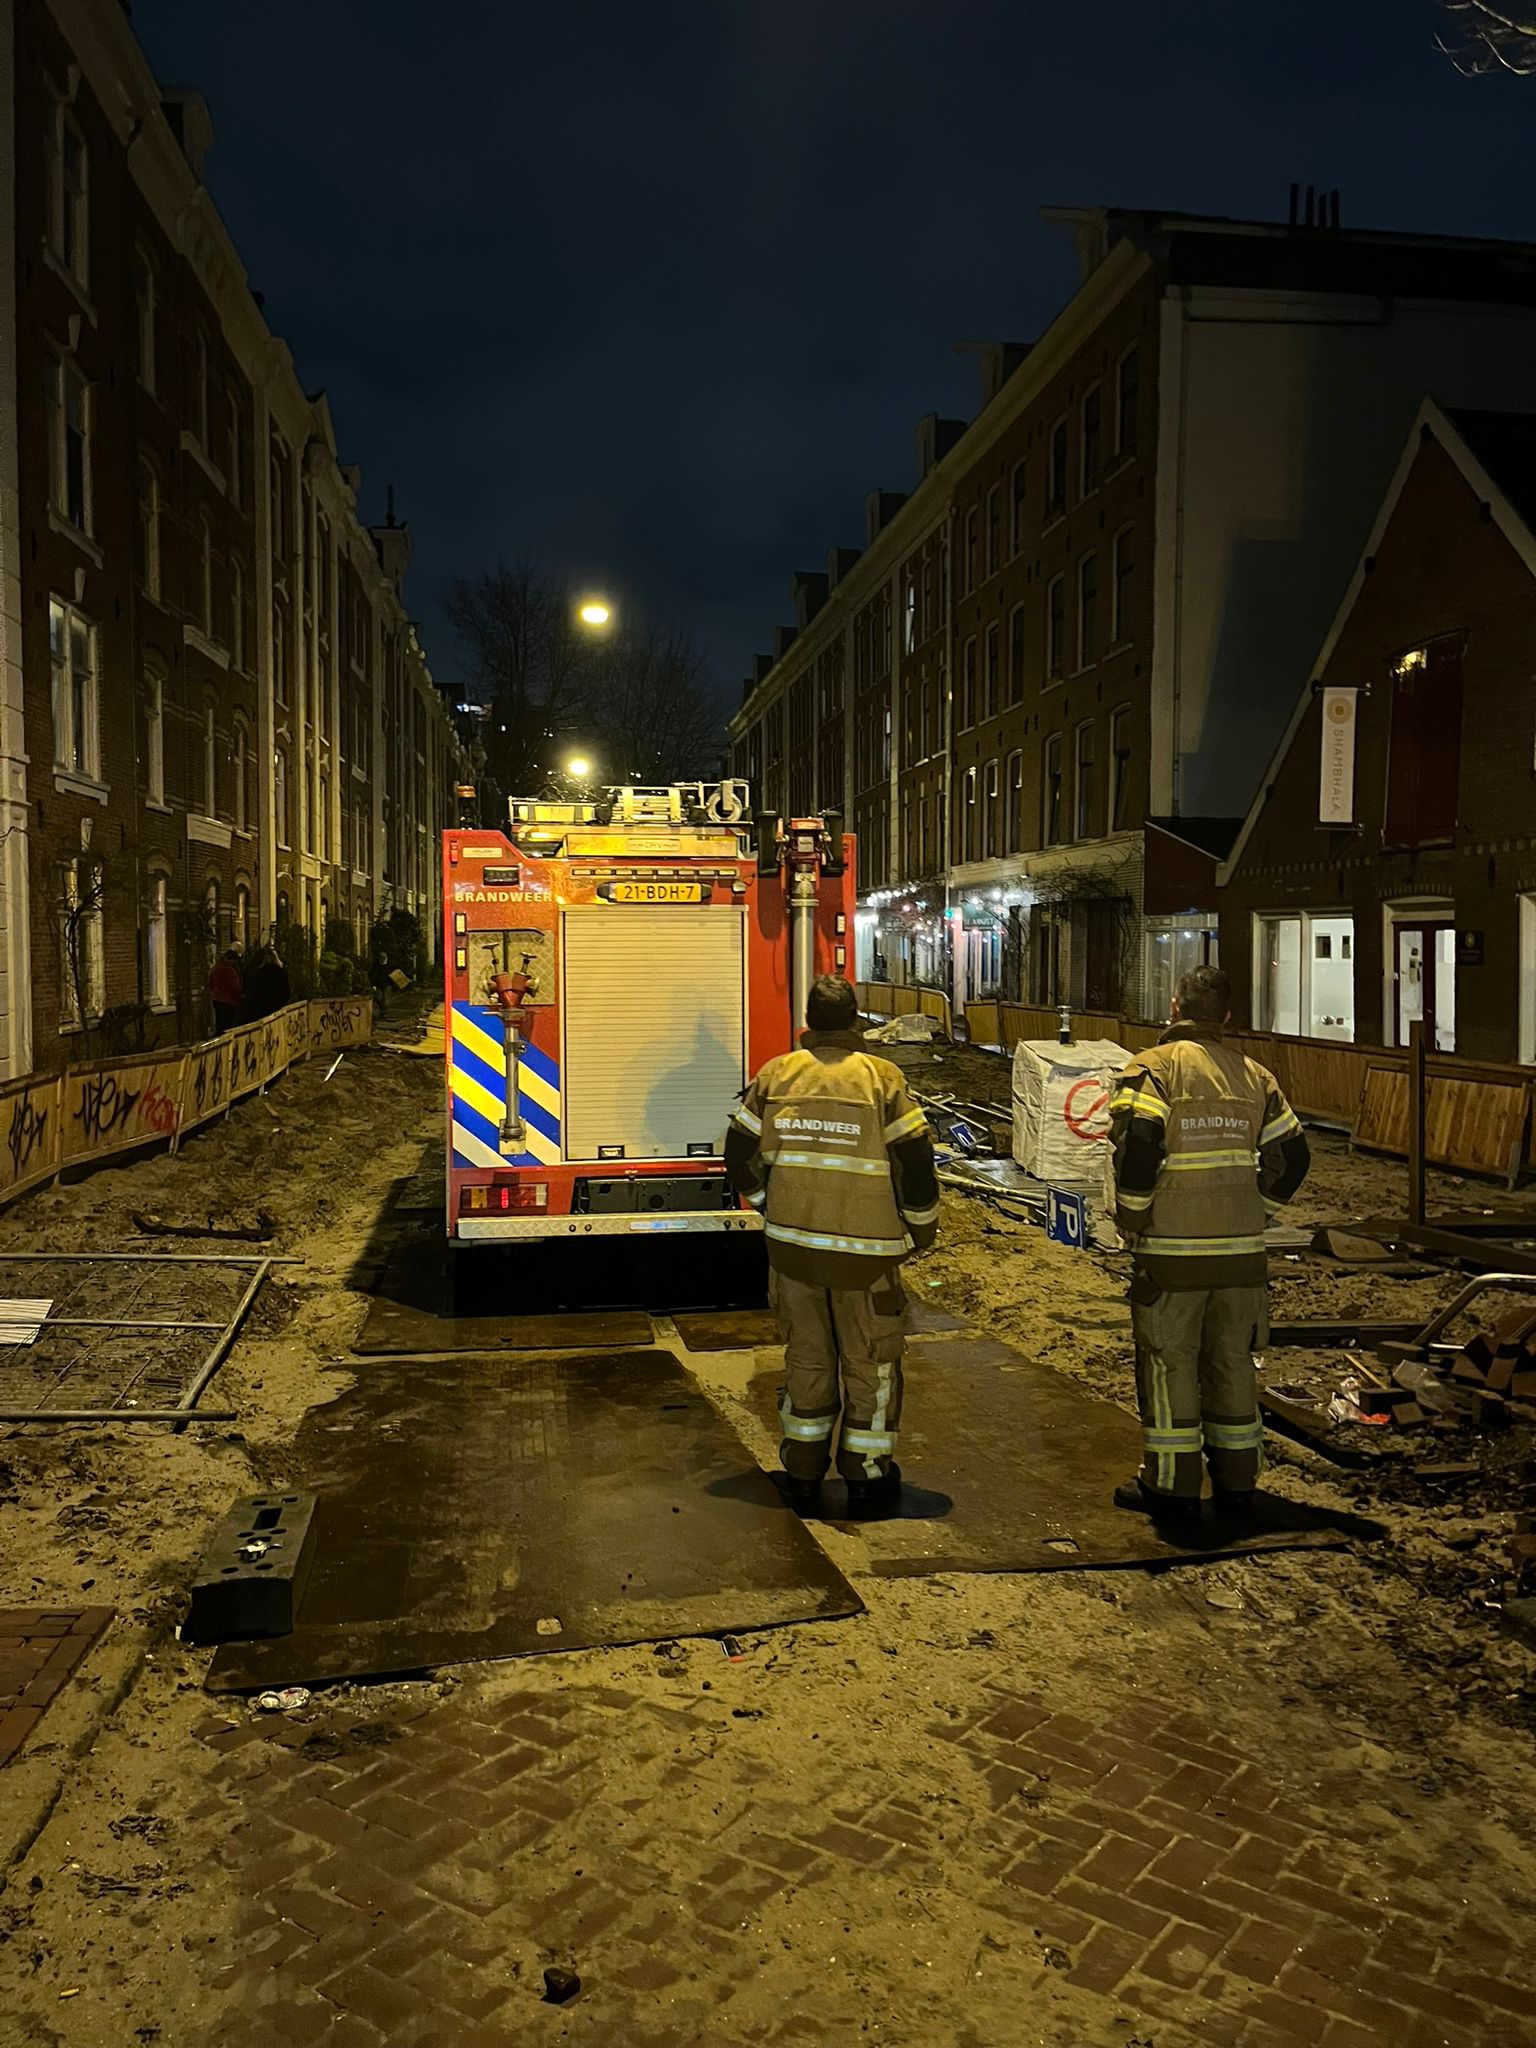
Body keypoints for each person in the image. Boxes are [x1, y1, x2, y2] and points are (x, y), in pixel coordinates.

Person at [724, 973, 940, 1515]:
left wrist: (766, 1203)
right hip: (866, 1262)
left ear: (808, 1021)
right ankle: (866, 1477)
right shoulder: (881, 1079)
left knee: (807, 1359)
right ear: (854, 1019)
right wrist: (920, 1228)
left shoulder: (776, 1074)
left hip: (793, 1252)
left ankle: (801, 1472)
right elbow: (915, 1159)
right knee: (871, 1363)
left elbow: (738, 1151)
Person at [1108, 965, 1310, 1529]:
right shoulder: (1256, 1076)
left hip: (1172, 1255)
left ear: (1174, 1008)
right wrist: (1256, 1211)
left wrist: (1133, 1217)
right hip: (1241, 1256)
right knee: (1232, 1363)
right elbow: (1294, 1158)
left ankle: (1171, 1487)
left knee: (1169, 1363)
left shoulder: (1153, 1069)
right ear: (1226, 1016)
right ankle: (1238, 1483)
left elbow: (1141, 1146)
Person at [207, 949, 243, 1036]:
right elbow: (234, 987)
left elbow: (210, 983)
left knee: (220, 1022)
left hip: (217, 999)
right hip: (229, 1001)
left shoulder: (215, 968)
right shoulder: (229, 970)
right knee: (227, 1024)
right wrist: (239, 996)